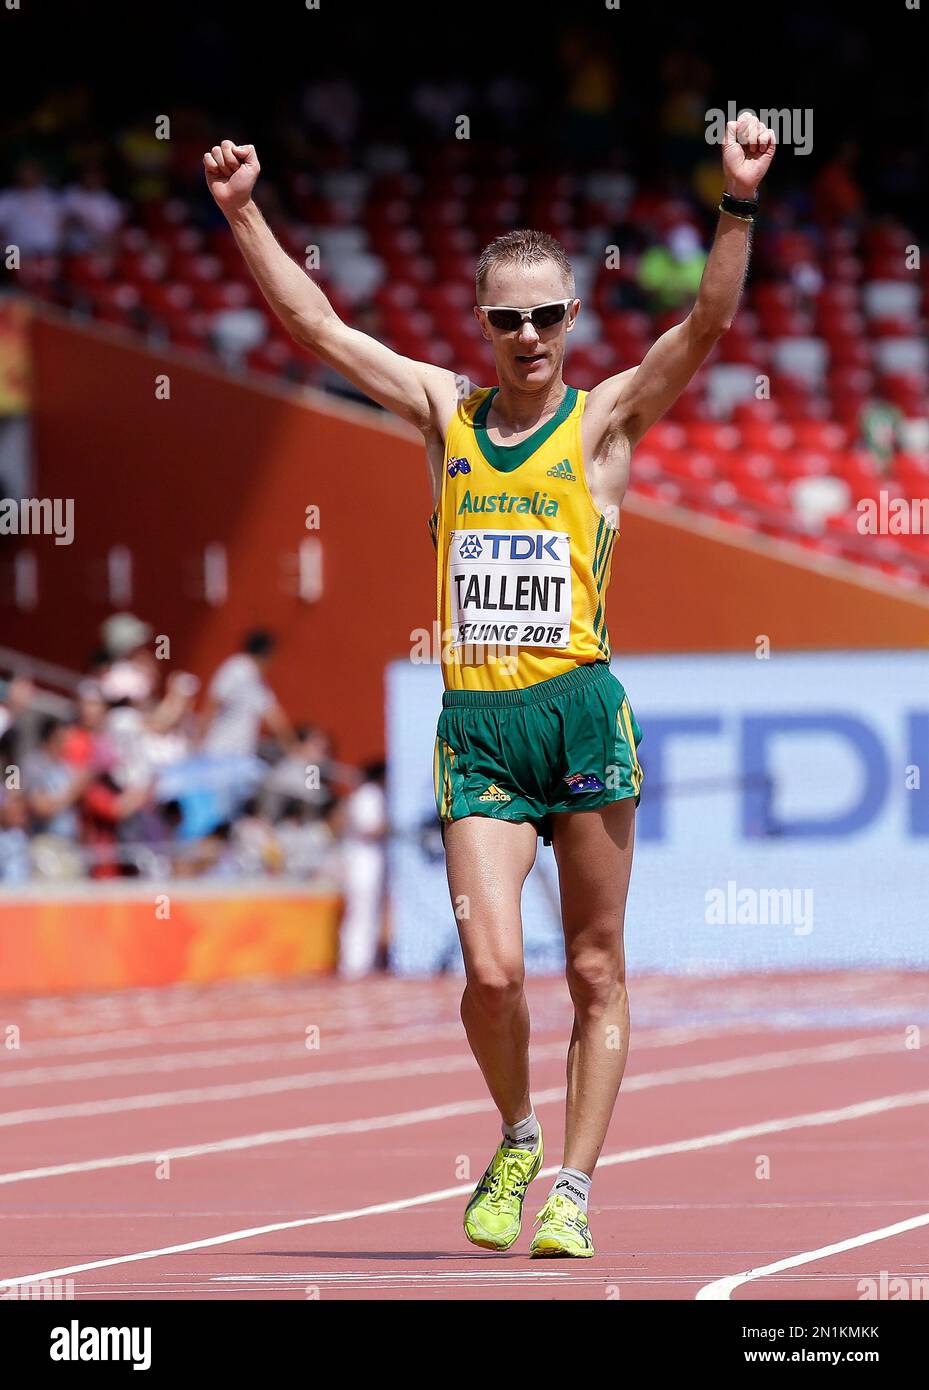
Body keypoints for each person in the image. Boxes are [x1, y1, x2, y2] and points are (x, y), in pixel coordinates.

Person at [204, 113, 776, 1257]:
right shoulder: (443, 412)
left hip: (579, 711)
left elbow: (706, 321)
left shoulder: (603, 421)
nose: (528, 335)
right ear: (482, 323)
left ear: (570, 320)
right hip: (476, 723)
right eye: (507, 317)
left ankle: (571, 1182)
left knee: (596, 965)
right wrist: (241, 212)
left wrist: (738, 198)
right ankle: (515, 1132)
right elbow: (311, 326)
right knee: (492, 968)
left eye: (547, 315)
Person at [201, 629, 293, 758]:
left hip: (232, 752)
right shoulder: (237, 668)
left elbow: (275, 718)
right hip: (219, 749)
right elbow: (214, 703)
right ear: (266, 653)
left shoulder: (255, 678)